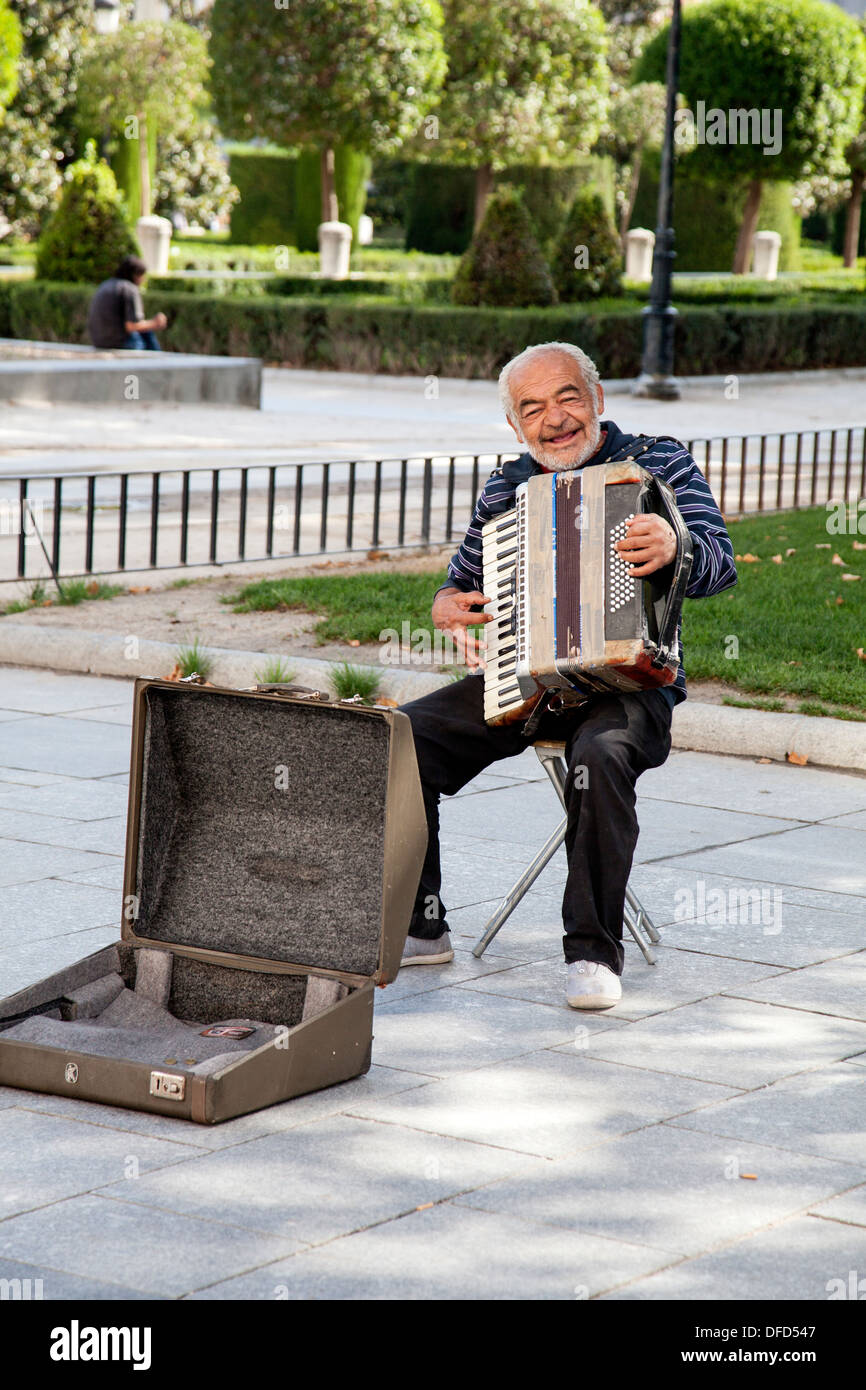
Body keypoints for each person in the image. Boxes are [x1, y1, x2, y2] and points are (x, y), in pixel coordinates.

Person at [399, 341, 737, 1010]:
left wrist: (677, 546)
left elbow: (720, 562)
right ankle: (421, 925)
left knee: (600, 754)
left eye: (567, 398)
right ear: (515, 427)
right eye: (532, 408)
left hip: (635, 683)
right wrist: (446, 604)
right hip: (530, 683)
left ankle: (591, 954)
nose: (553, 419)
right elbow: (459, 583)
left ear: (598, 399)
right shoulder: (507, 487)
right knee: (400, 739)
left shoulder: (660, 461)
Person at [87, 255, 167, 350]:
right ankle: (157, 363)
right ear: (135, 275)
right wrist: (155, 323)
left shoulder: (105, 284)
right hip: (119, 343)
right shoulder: (129, 289)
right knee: (147, 333)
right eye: (142, 275)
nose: (143, 279)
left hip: (98, 341)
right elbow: (131, 326)